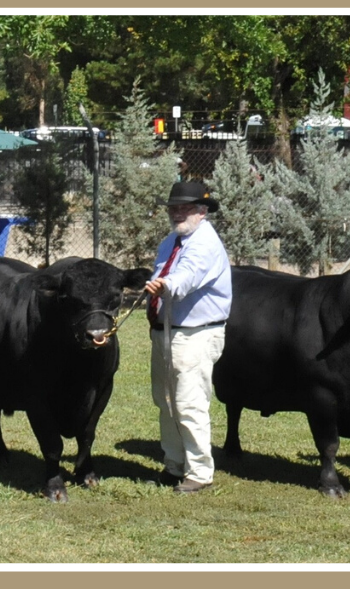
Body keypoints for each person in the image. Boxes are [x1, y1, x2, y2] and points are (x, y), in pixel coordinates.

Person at [145, 180, 232, 494]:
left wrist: (166, 286)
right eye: (173, 208)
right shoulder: (172, 242)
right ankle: (174, 465)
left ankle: (198, 472)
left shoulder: (205, 242)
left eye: (185, 207)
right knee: (166, 401)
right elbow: (162, 274)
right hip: (168, 332)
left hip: (196, 335)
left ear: (202, 211)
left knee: (189, 402)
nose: (177, 213)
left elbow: (187, 276)